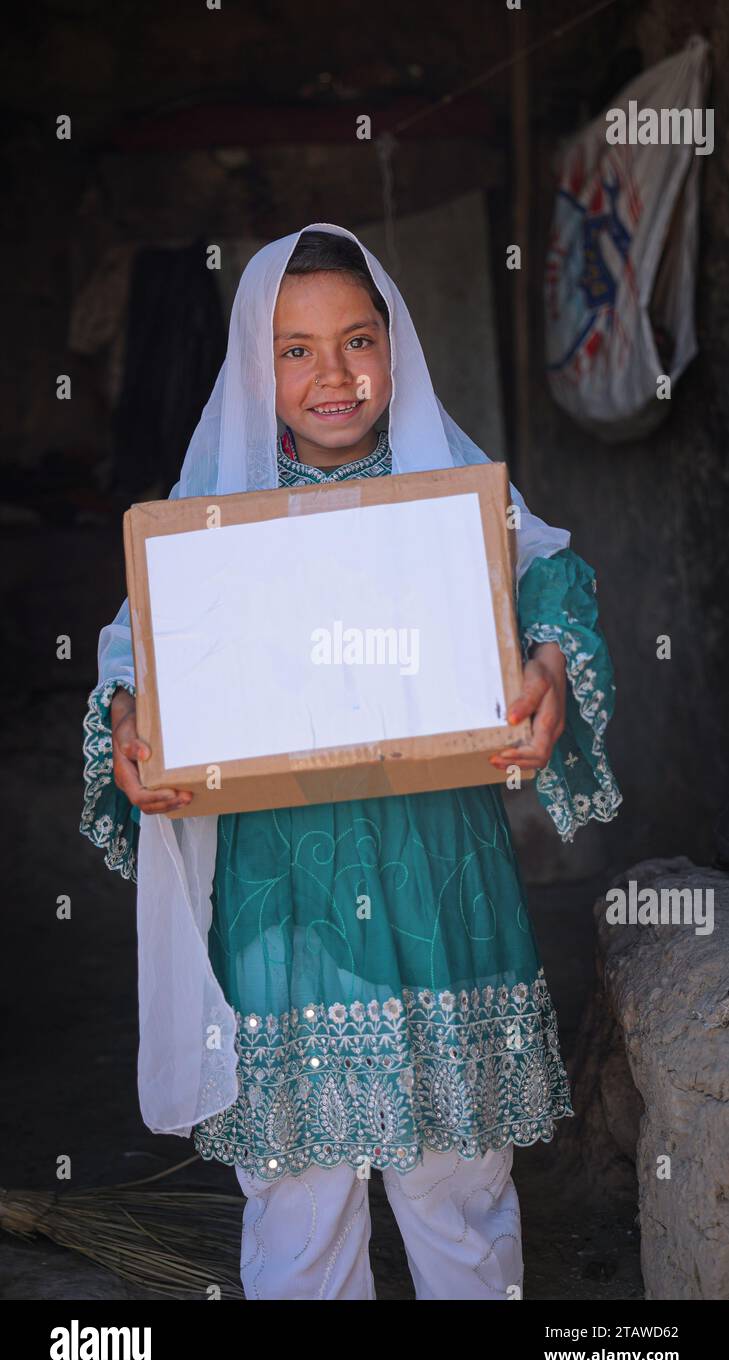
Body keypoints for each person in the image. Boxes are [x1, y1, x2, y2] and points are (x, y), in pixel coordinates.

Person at [80, 223, 622, 1300]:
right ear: (254, 366)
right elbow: (131, 656)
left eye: (357, 339)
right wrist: (131, 722)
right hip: (286, 905)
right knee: (299, 1202)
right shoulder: (213, 519)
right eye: (295, 349)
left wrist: (549, 664)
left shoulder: (451, 490)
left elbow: (555, 576)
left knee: (459, 1181)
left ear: (396, 348)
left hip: (440, 878)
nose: (333, 374)